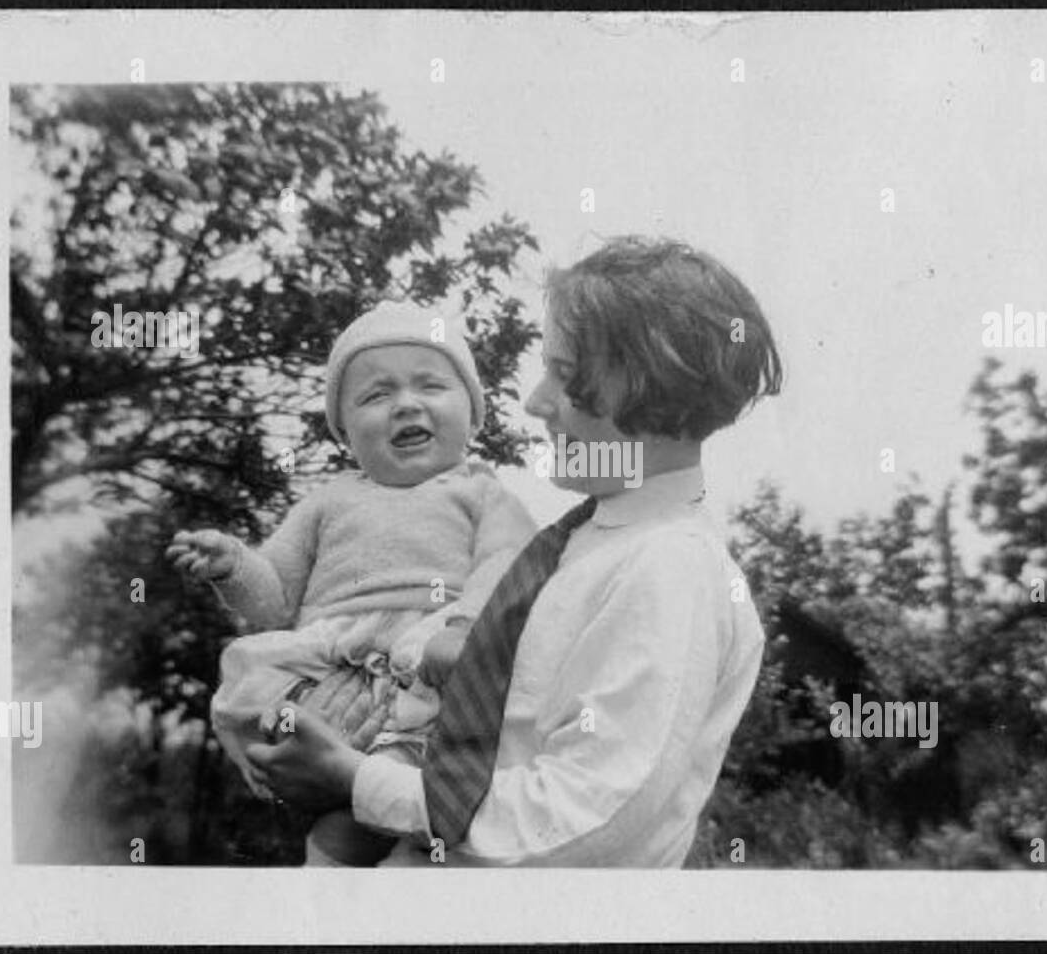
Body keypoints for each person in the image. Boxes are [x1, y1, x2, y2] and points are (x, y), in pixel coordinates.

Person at [246, 237, 782, 867]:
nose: (535, 402)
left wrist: (354, 782)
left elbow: (587, 824)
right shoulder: (578, 545)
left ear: (648, 379)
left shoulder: (671, 568)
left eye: (565, 371)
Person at [167, 302, 536, 865]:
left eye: (431, 386)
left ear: (475, 415)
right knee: (266, 703)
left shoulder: (483, 494)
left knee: (377, 809)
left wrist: (463, 626)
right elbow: (273, 602)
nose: (406, 404)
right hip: (327, 666)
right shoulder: (327, 502)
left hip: (424, 668)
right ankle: (301, 826)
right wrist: (233, 565)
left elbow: (505, 566)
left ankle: (345, 873)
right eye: (375, 395)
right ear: (345, 433)